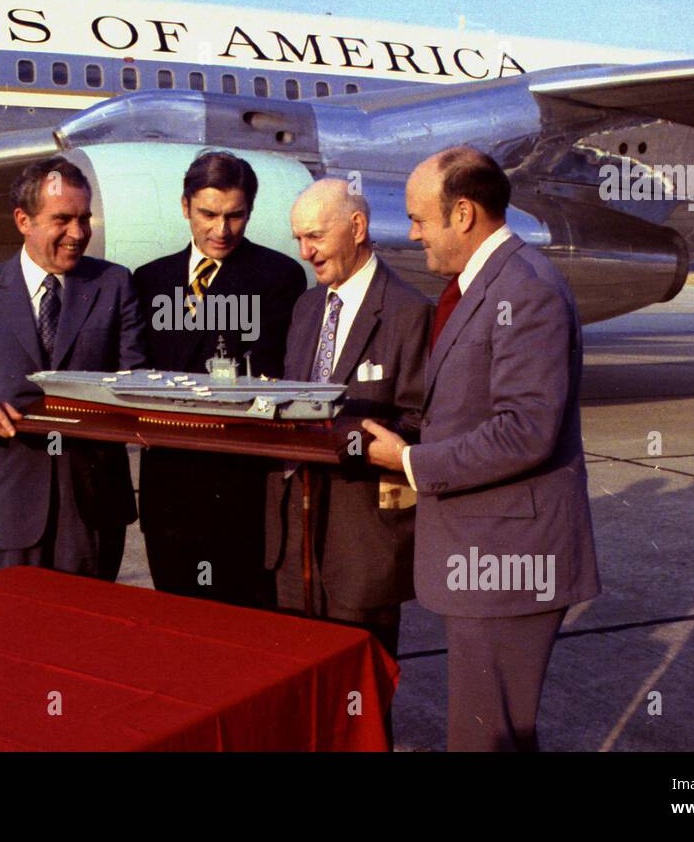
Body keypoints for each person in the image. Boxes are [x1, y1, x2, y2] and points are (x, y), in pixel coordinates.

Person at [362, 146, 601, 751]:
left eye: (420, 218)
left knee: (487, 738)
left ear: (463, 214)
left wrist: (410, 462)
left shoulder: (524, 288)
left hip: (506, 562)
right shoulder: (487, 284)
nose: (413, 233)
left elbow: (526, 430)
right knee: (490, 733)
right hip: (485, 556)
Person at [0, 156, 146, 579]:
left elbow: (135, 380)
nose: (78, 233)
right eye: (63, 219)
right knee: (11, 631)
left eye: (85, 219)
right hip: (7, 501)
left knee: (83, 632)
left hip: (92, 501)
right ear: (23, 220)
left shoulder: (114, 284)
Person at [133, 151, 307, 607]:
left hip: (240, 493)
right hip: (168, 492)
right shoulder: (149, 281)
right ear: (185, 206)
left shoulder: (278, 277)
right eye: (209, 214)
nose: (221, 230)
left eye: (236, 215)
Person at [267, 178, 431, 657]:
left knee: (361, 690)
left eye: (315, 236)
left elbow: (420, 420)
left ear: (357, 227)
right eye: (298, 238)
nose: (305, 251)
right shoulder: (306, 307)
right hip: (293, 535)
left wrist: (354, 446)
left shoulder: (409, 312)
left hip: (360, 543)